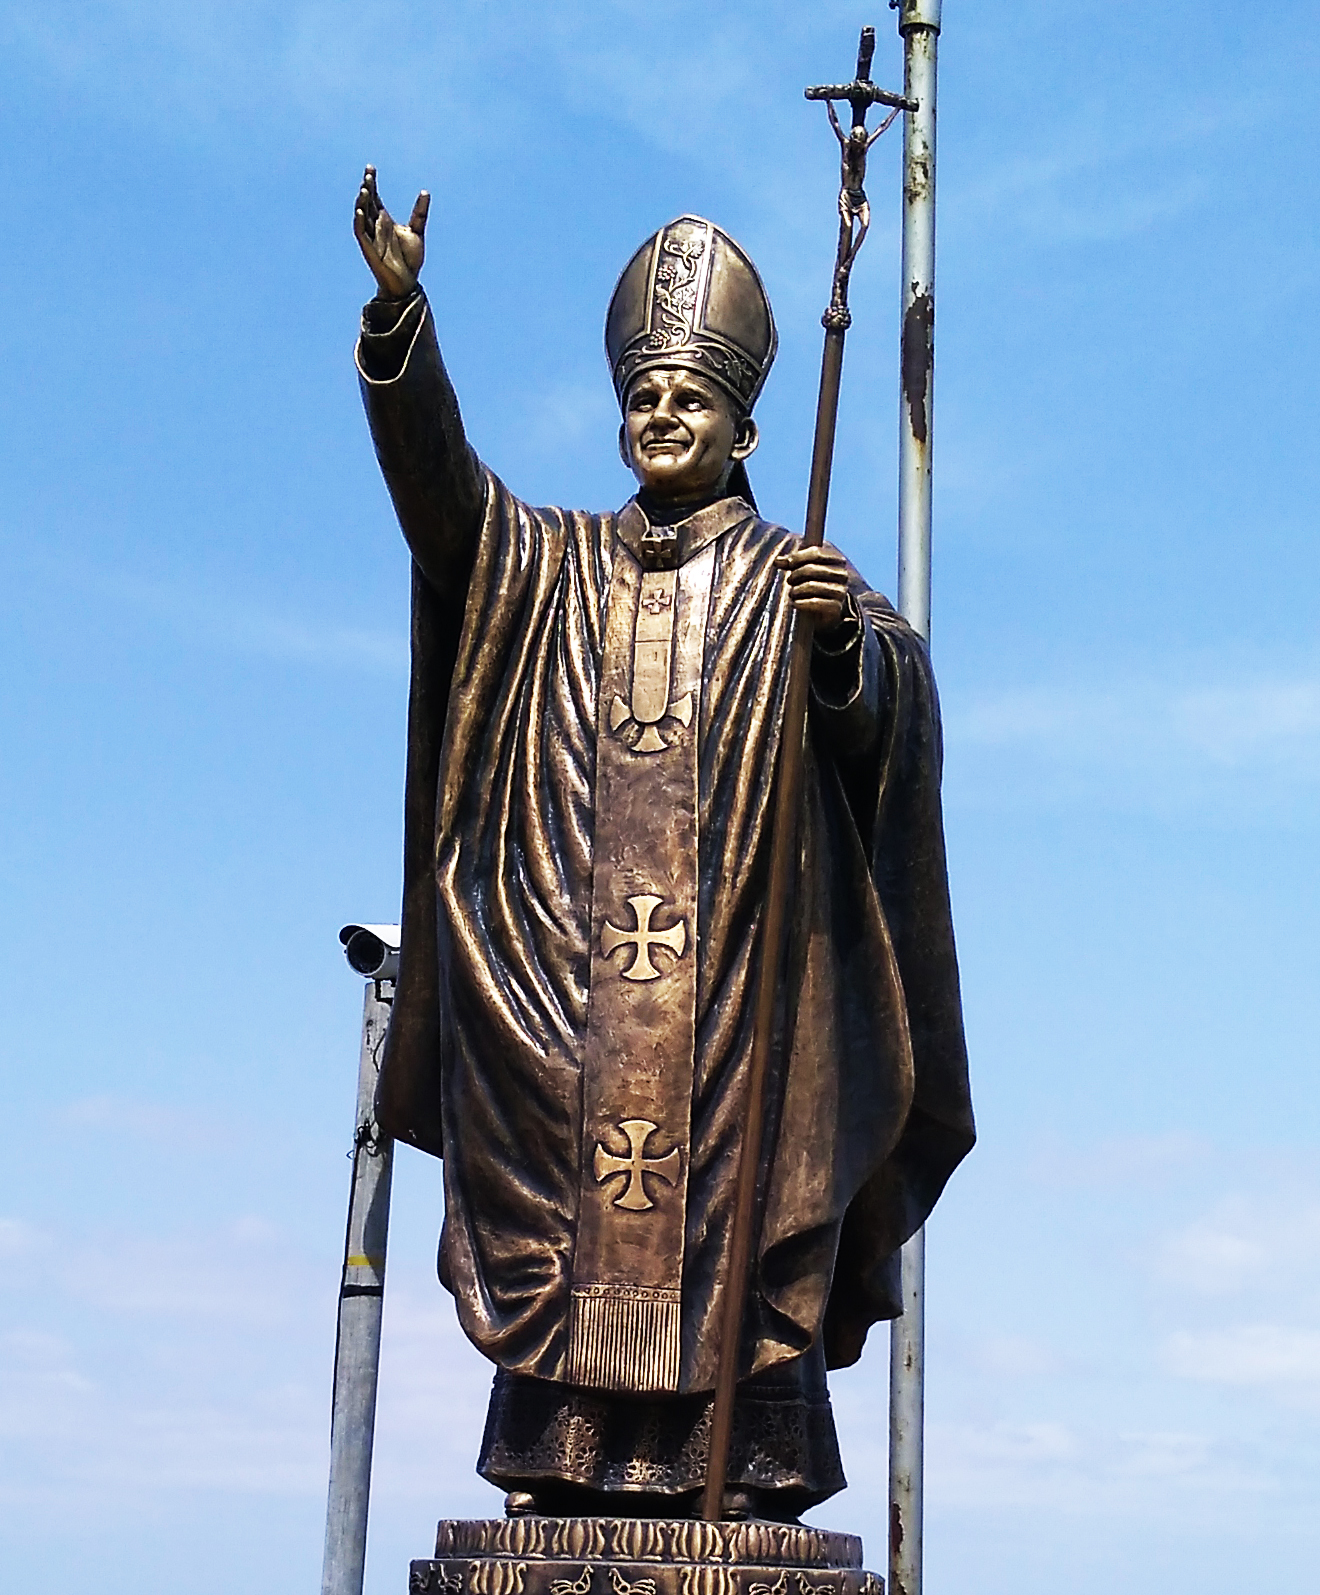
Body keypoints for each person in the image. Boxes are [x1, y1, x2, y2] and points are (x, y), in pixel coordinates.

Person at [352, 167, 974, 1523]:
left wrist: (839, 656)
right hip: (580, 1008)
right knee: (581, 1231)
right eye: (645, 397)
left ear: (747, 428)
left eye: (690, 399)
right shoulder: (555, 565)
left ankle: (739, 1468)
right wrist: (406, 331)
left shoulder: (794, 583)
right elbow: (446, 505)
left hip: (739, 1012)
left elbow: (885, 736)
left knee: (729, 1247)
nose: (663, 416)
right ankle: (566, 1456)